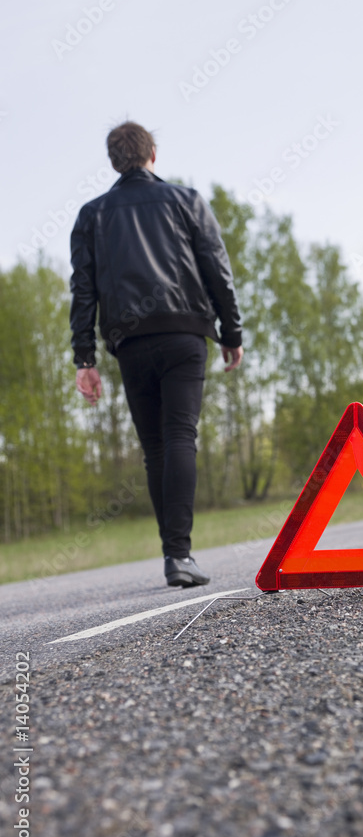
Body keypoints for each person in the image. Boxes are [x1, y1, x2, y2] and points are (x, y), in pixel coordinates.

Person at [69, 121, 243, 588]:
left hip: (132, 341)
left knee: (157, 450)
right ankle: (179, 556)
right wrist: (231, 331)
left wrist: (84, 358)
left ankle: (175, 556)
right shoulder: (185, 201)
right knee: (181, 436)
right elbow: (216, 269)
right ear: (152, 155)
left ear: (114, 161)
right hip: (185, 332)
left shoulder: (92, 215)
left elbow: (82, 290)